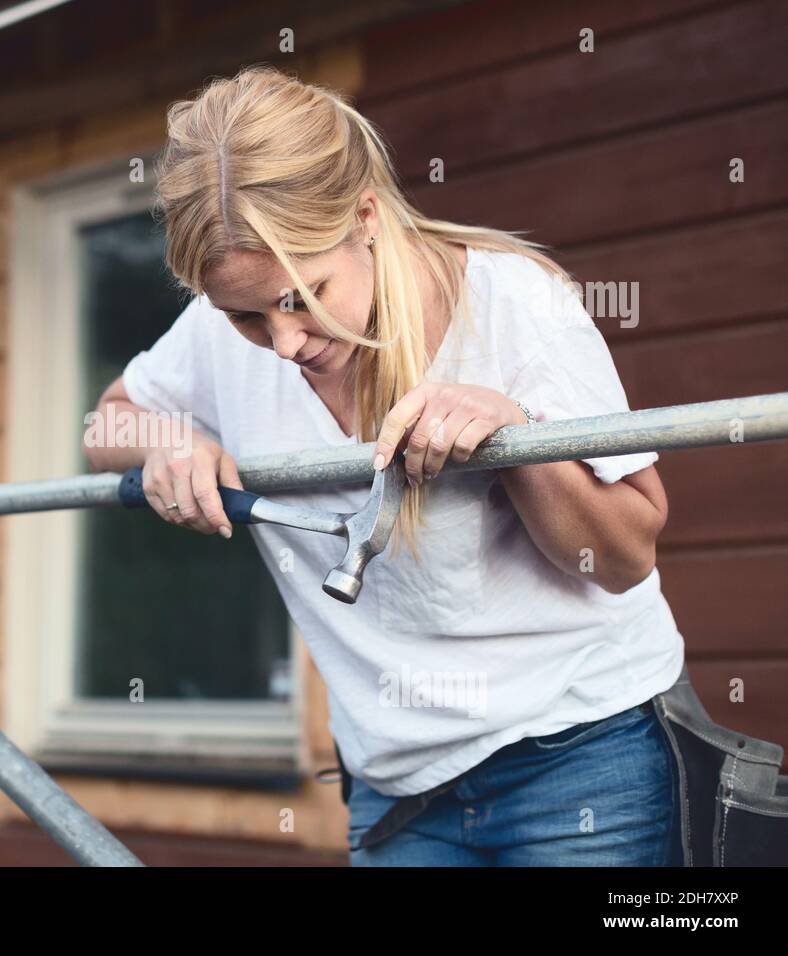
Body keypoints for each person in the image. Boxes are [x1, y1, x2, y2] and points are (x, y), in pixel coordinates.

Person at [82, 66, 685, 866]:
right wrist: (167, 439)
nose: (285, 342)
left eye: (305, 295)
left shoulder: (516, 307)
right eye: (248, 316)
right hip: (396, 785)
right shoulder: (214, 330)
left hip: (577, 753)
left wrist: (517, 440)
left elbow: (625, 557)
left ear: (365, 215)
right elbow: (105, 421)